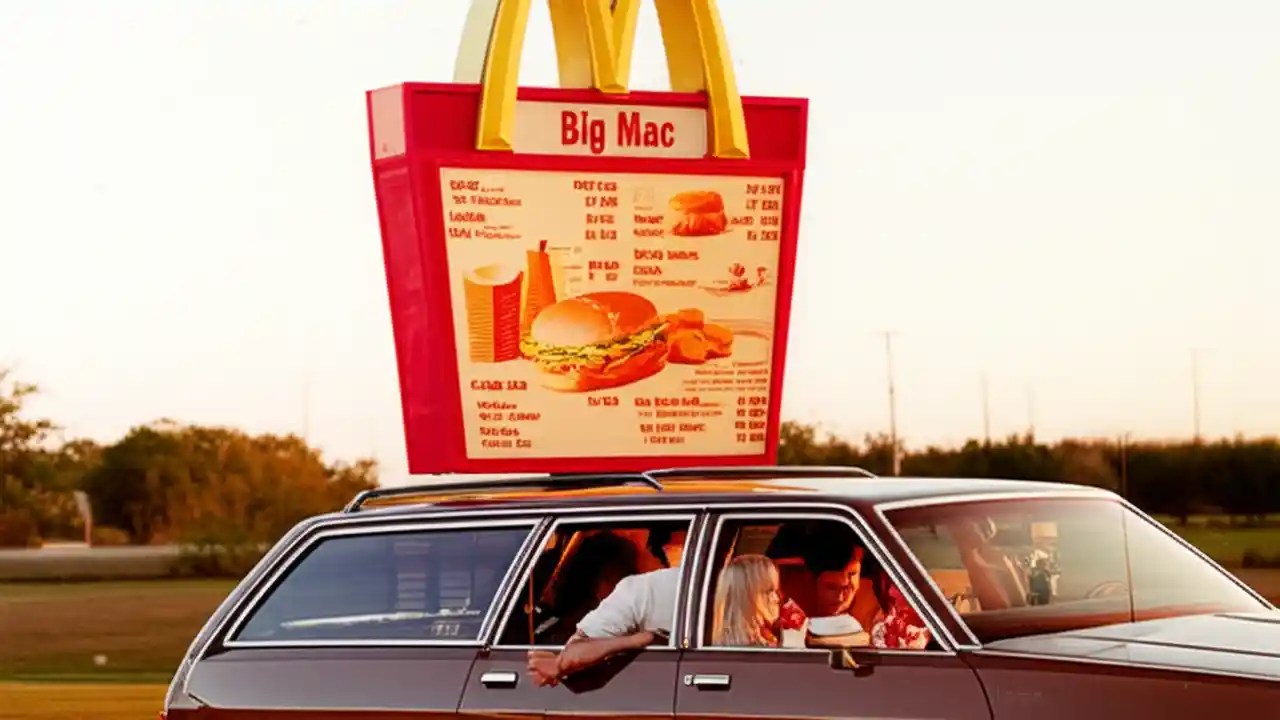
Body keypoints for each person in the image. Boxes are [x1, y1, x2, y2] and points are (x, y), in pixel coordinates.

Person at [711, 554, 782, 647]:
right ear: (746, 596)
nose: (776, 598)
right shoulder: (746, 648)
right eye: (768, 591)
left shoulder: (762, 638)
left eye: (776, 591)